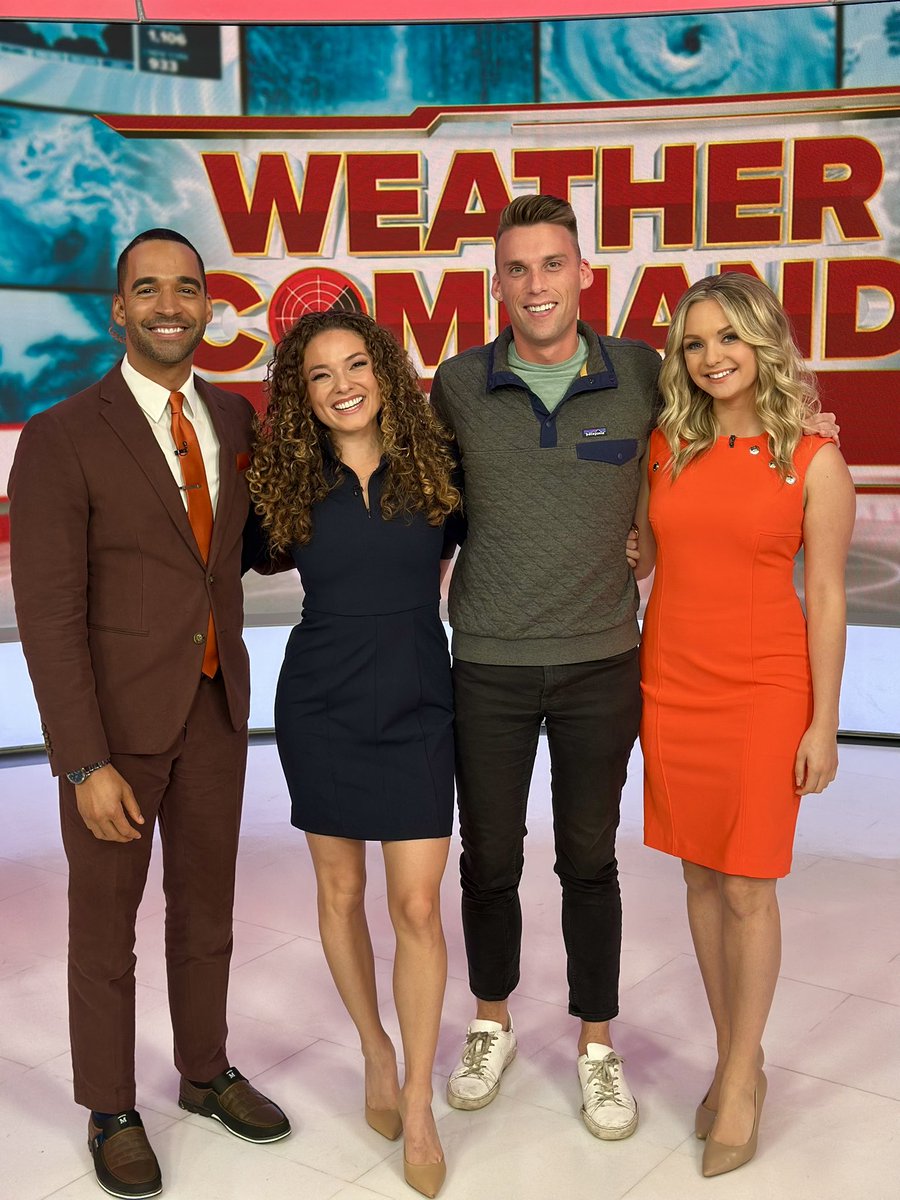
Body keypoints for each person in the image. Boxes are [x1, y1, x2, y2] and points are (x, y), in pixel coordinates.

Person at [8, 229, 289, 1200]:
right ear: (118, 310)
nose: (171, 305)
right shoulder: (61, 435)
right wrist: (83, 763)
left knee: (206, 914)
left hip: (214, 709)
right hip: (115, 732)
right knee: (105, 930)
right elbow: (49, 615)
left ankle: (204, 1073)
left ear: (210, 305)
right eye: (148, 289)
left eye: (188, 288)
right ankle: (110, 1108)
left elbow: (254, 547)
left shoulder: (235, 416)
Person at [430, 194, 660, 1140]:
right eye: (518, 268)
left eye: (552, 264)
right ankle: (492, 1023)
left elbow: (705, 444)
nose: (537, 284)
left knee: (589, 859)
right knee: (489, 858)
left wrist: (812, 427)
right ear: (497, 284)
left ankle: (597, 1044)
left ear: (583, 273)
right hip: (487, 660)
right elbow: (424, 499)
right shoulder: (457, 384)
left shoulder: (642, 372)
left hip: (602, 660)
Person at [632, 272, 855, 1176]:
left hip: (765, 689)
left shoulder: (814, 459)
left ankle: (737, 1079)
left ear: (764, 342)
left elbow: (828, 596)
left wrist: (824, 723)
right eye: (694, 342)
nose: (711, 356)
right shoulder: (666, 446)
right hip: (670, 683)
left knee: (748, 888)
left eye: (728, 337)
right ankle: (739, 1060)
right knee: (698, 877)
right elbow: (643, 557)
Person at [247, 310, 462, 1199]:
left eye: (357, 365)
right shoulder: (285, 483)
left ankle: (418, 1098)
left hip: (420, 697)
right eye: (320, 374)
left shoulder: (439, 465)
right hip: (321, 702)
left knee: (417, 905)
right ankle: (376, 1050)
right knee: (340, 892)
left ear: (385, 371)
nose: (343, 385)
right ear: (301, 396)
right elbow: (206, 549)